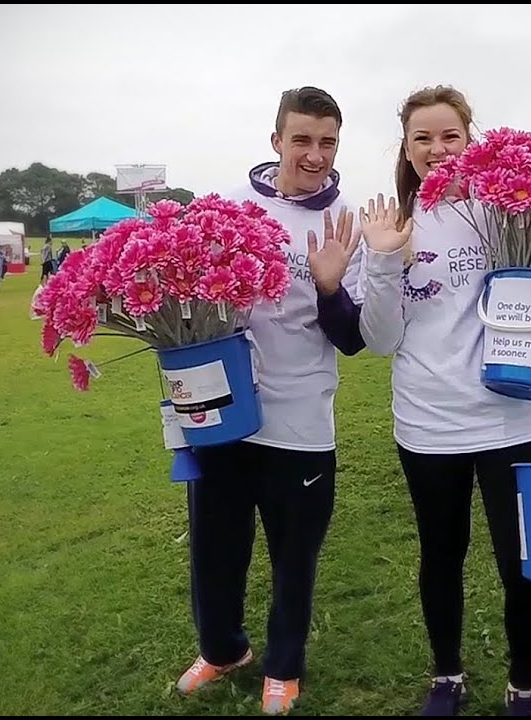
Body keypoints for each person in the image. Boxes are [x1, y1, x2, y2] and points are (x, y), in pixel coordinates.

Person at [358, 85, 531, 716]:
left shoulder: (513, 214)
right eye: (423, 138)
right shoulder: (393, 225)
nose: (437, 149)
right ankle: (447, 678)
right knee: (440, 557)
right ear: (406, 147)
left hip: (511, 420)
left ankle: (523, 687)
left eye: (450, 136)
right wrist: (386, 262)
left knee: (523, 563)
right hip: (427, 425)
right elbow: (381, 339)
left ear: (472, 140)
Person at [173, 86, 365, 716]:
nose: (314, 155)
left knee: (293, 556)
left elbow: (352, 340)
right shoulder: (228, 208)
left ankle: (284, 666)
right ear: (277, 139)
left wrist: (332, 286)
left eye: (327, 142)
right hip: (224, 413)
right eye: (302, 139)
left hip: (301, 419)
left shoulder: (346, 223)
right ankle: (223, 648)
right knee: (215, 547)